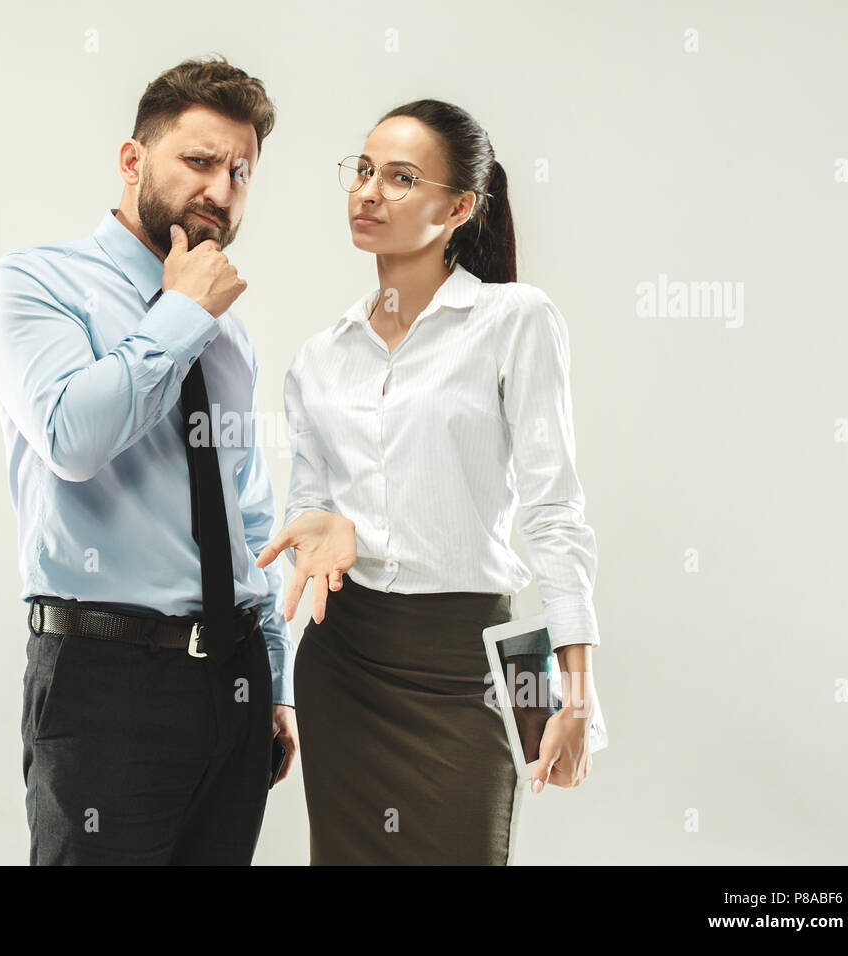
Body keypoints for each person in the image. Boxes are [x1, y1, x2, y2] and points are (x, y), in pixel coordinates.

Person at [256, 99, 602, 865]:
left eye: (401, 178)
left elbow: (554, 512)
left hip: (472, 664)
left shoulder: (517, 320)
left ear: (459, 206)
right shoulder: (319, 359)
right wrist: (323, 523)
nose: (370, 191)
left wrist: (576, 692)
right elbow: (305, 514)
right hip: (343, 660)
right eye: (365, 170)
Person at [0, 55, 298, 865]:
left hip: (231, 686)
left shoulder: (230, 332)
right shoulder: (36, 282)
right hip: (103, 676)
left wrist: (273, 677)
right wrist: (183, 310)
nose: (221, 193)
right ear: (133, 160)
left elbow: (246, 508)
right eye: (198, 162)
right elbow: (72, 440)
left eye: (240, 173)